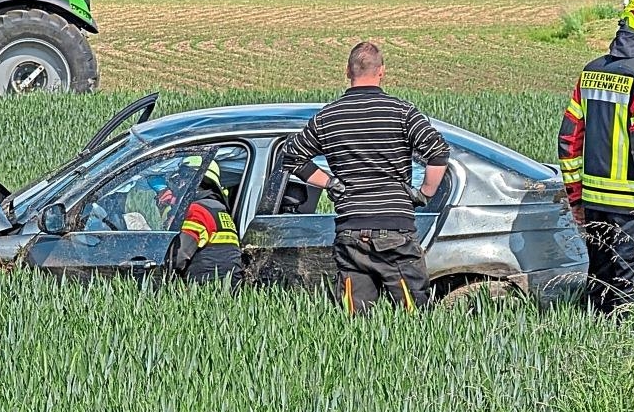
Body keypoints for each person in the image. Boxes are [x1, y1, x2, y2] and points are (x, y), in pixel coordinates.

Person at [282, 41, 450, 315]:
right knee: (415, 320)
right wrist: (425, 193)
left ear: (347, 71)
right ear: (381, 71)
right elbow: (438, 151)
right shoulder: (402, 112)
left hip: (350, 231)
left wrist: (331, 183)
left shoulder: (327, 117)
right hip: (395, 229)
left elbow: (292, 157)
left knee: (356, 324)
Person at [558, 0, 634, 315]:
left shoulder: (592, 71)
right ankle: (633, 348)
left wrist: (576, 199)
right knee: (633, 287)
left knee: (600, 285)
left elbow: (568, 140)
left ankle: (595, 346)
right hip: (633, 209)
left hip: (594, 205)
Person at [168, 156, 243, 290]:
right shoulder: (218, 209)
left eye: (182, 178)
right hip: (226, 286)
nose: (177, 185)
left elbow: (179, 255)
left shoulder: (198, 210)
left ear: (196, 181)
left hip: (206, 287)